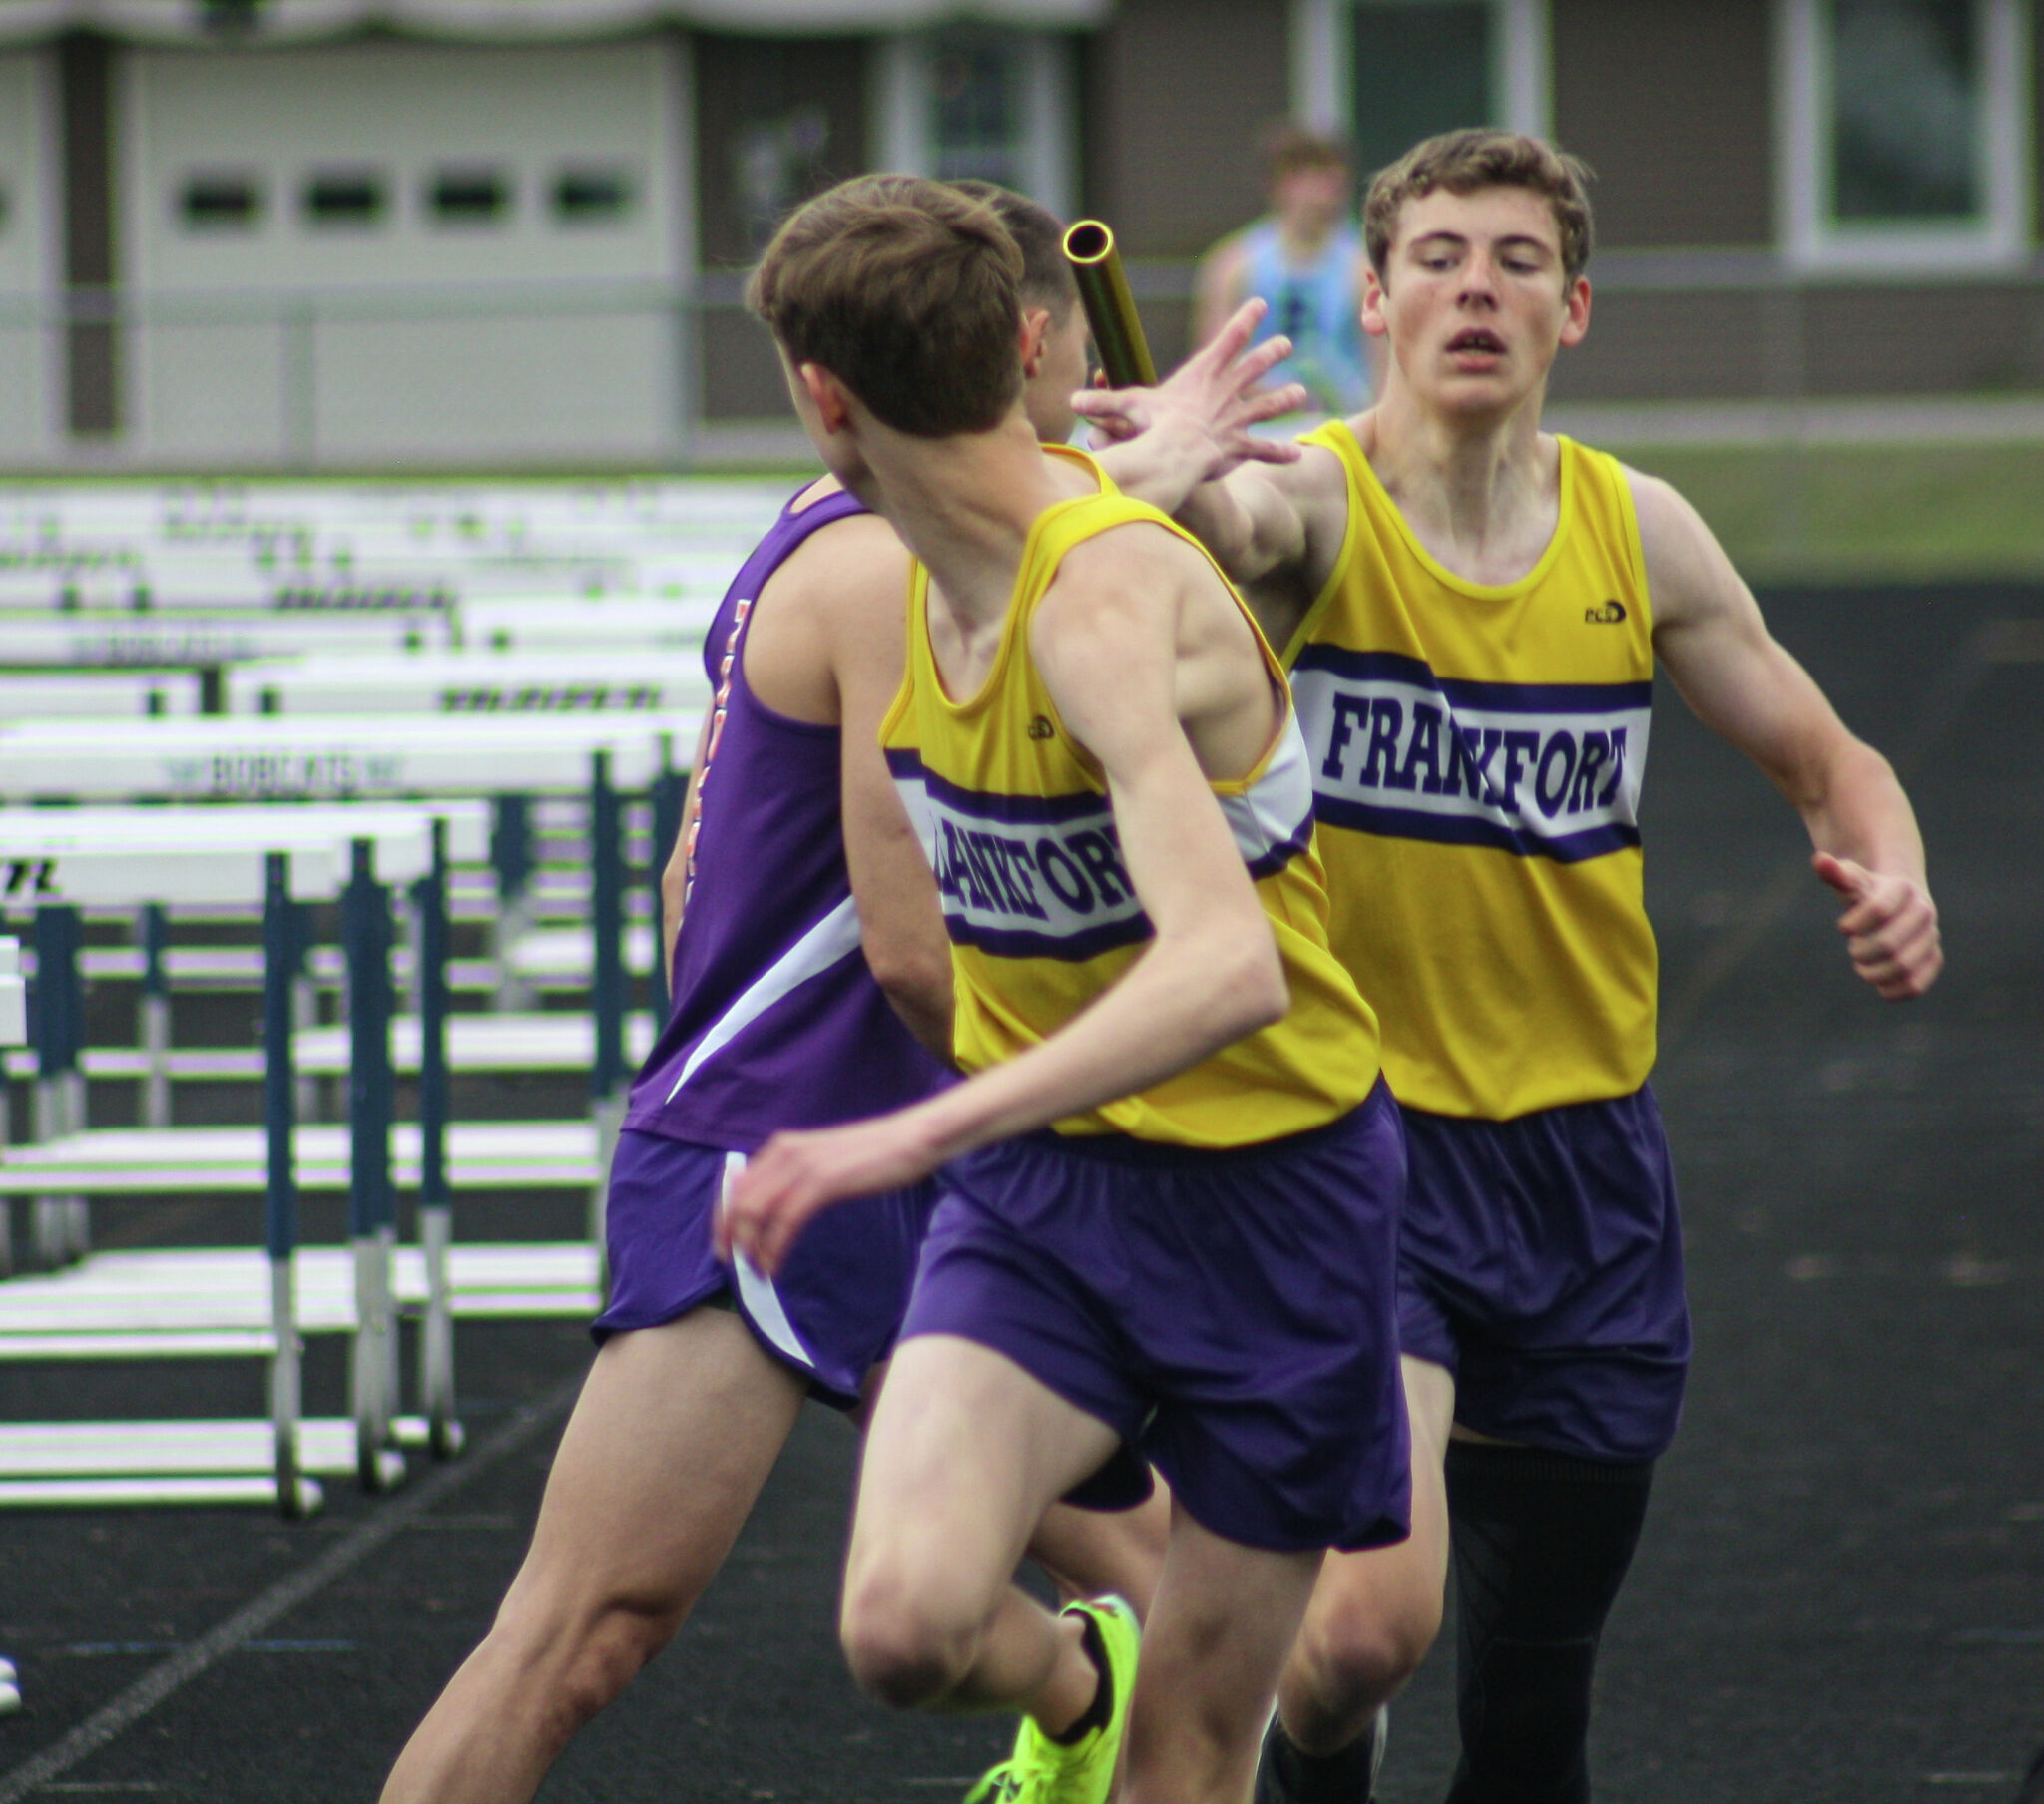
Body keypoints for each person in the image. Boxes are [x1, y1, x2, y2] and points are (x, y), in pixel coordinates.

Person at [374, 179, 1303, 1804]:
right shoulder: (885, 571)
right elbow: (911, 947)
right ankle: (1083, 1695)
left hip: (900, 1149)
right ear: (1024, 347)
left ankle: (1082, 1694)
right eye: (1072, 352)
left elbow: (686, 878)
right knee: (583, 1627)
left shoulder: (891, 532)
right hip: (796, 1149)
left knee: (1188, 1603)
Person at [1081, 127, 1943, 1804]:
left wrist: (1892, 870)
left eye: (1516, 261)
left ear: (1575, 309)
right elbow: (1222, 512)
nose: (1476, 287)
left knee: (1534, 1721)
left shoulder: (1639, 533)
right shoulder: (1320, 504)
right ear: (1376, 297)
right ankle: (1314, 1761)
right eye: (1439, 259)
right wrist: (1165, 464)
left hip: (1582, 1164)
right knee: (1354, 1639)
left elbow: (1831, 761)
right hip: (1359, 1146)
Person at [720, 174, 1410, 1804]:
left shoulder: (1099, 604)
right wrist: (1141, 456)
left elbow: (1226, 966)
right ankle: (1078, 1669)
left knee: (1190, 1765)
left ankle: (1145, 1708)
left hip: (1274, 1200)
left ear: (823, 399)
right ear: (1030, 341)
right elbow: (1064, 482)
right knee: (902, 1622)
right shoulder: (925, 563)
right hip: (1047, 1198)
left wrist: (896, 1138)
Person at [1194, 125, 1374, 421]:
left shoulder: (1364, 265)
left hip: (1344, 426)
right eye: (1310, 177)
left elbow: (1384, 367)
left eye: (1333, 177)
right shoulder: (1233, 265)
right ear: (1280, 184)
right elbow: (1210, 370)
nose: (1326, 192)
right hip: (1256, 426)